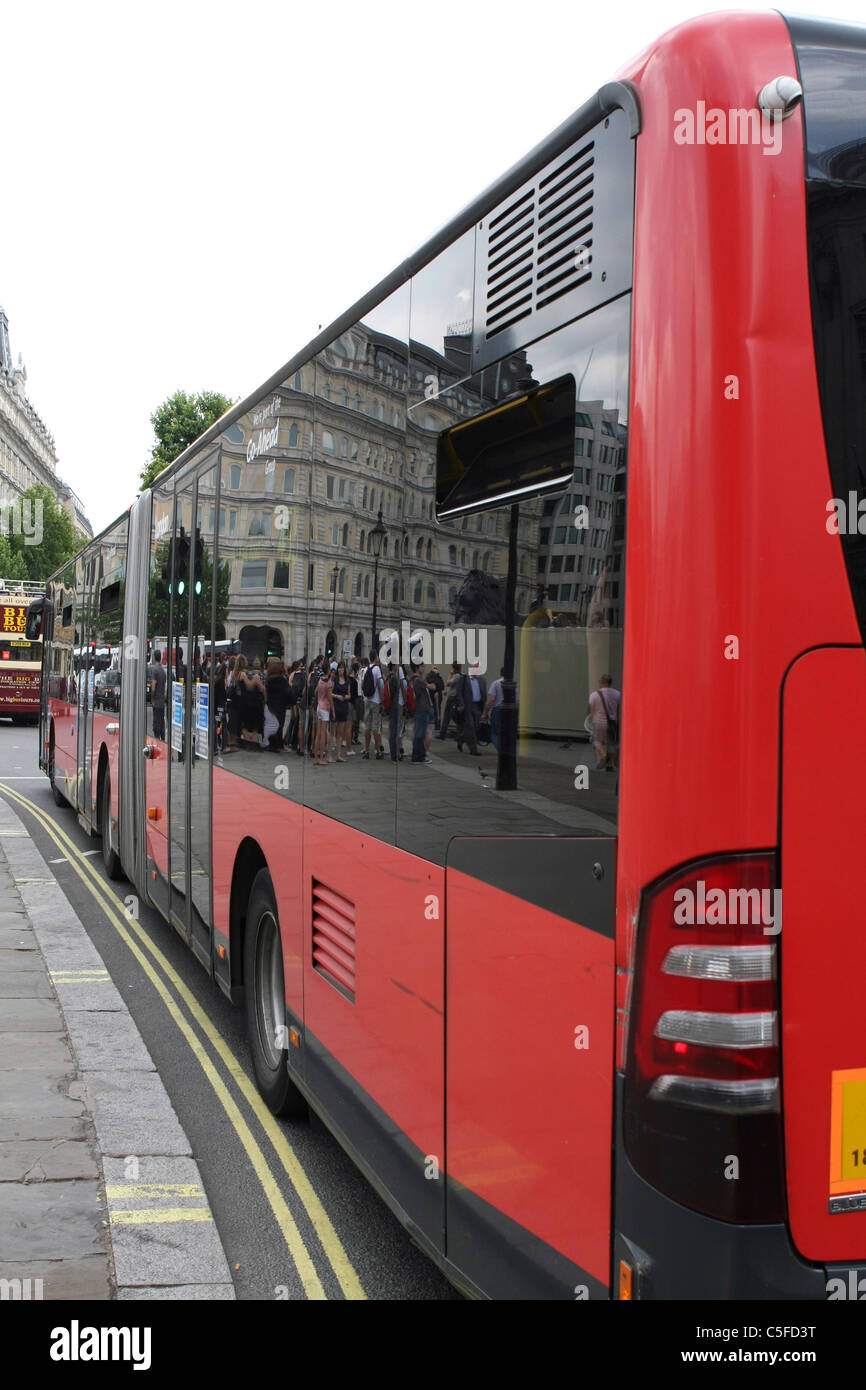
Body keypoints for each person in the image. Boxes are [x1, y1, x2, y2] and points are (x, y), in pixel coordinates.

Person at [588, 674, 621, 771]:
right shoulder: (617, 694)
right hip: (612, 722)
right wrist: (617, 723)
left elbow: (592, 712)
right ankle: (610, 765)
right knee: (611, 744)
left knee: (596, 742)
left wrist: (592, 725)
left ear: (601, 682)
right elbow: (619, 712)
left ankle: (604, 756)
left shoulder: (594, 695)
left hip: (598, 723)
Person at [482, 668, 519, 751]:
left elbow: (491, 700)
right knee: (507, 732)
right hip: (510, 711)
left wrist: (485, 713)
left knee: (495, 733)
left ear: (500, 673)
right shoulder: (513, 685)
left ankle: (502, 750)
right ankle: (508, 749)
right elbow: (517, 702)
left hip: (497, 710)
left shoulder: (495, 683)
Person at [237, 655, 265, 747]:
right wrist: (256, 679)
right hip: (249, 701)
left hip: (241, 700)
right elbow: (250, 687)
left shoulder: (235, 673)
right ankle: (251, 742)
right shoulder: (244, 674)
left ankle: (247, 741)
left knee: (244, 723)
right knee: (255, 724)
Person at [410, 664, 435, 763]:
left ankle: (418, 756)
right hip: (422, 709)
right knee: (420, 734)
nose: (423, 668)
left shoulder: (414, 679)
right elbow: (432, 687)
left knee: (418, 733)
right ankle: (419, 757)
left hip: (419, 708)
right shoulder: (418, 680)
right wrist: (434, 677)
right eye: (421, 667)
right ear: (417, 668)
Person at [362, 651, 385, 760]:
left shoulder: (365, 669)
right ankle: (377, 750)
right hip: (375, 701)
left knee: (367, 726)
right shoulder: (377, 669)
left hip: (367, 700)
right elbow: (380, 685)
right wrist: (382, 699)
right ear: (375, 658)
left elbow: (362, 685)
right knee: (375, 726)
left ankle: (366, 750)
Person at [264, 657, 290, 751]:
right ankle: (278, 745)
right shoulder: (282, 680)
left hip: (271, 705)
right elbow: (287, 692)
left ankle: (272, 744)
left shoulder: (269, 679)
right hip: (280, 705)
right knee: (279, 725)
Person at [313, 666, 334, 765]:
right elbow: (330, 698)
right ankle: (321, 758)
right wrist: (333, 711)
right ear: (329, 671)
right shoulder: (329, 682)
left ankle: (316, 758)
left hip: (318, 707)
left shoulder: (320, 680)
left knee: (318, 734)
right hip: (325, 708)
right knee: (323, 734)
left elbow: (315, 692)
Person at [332, 660, 352, 762]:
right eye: (339, 668)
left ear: (344, 669)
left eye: (342, 668)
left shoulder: (347, 681)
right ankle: (330, 754)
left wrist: (346, 697)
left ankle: (338, 755)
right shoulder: (334, 679)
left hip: (344, 707)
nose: (341, 669)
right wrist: (337, 696)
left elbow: (349, 695)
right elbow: (329, 693)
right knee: (332, 731)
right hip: (335, 707)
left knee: (340, 733)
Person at [149, 649, 166, 741]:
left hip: (157, 700)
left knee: (156, 722)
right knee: (161, 720)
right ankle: (163, 738)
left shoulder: (155, 670)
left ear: (154, 657)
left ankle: (157, 740)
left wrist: (152, 698)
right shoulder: (163, 671)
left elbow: (153, 687)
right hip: (162, 700)